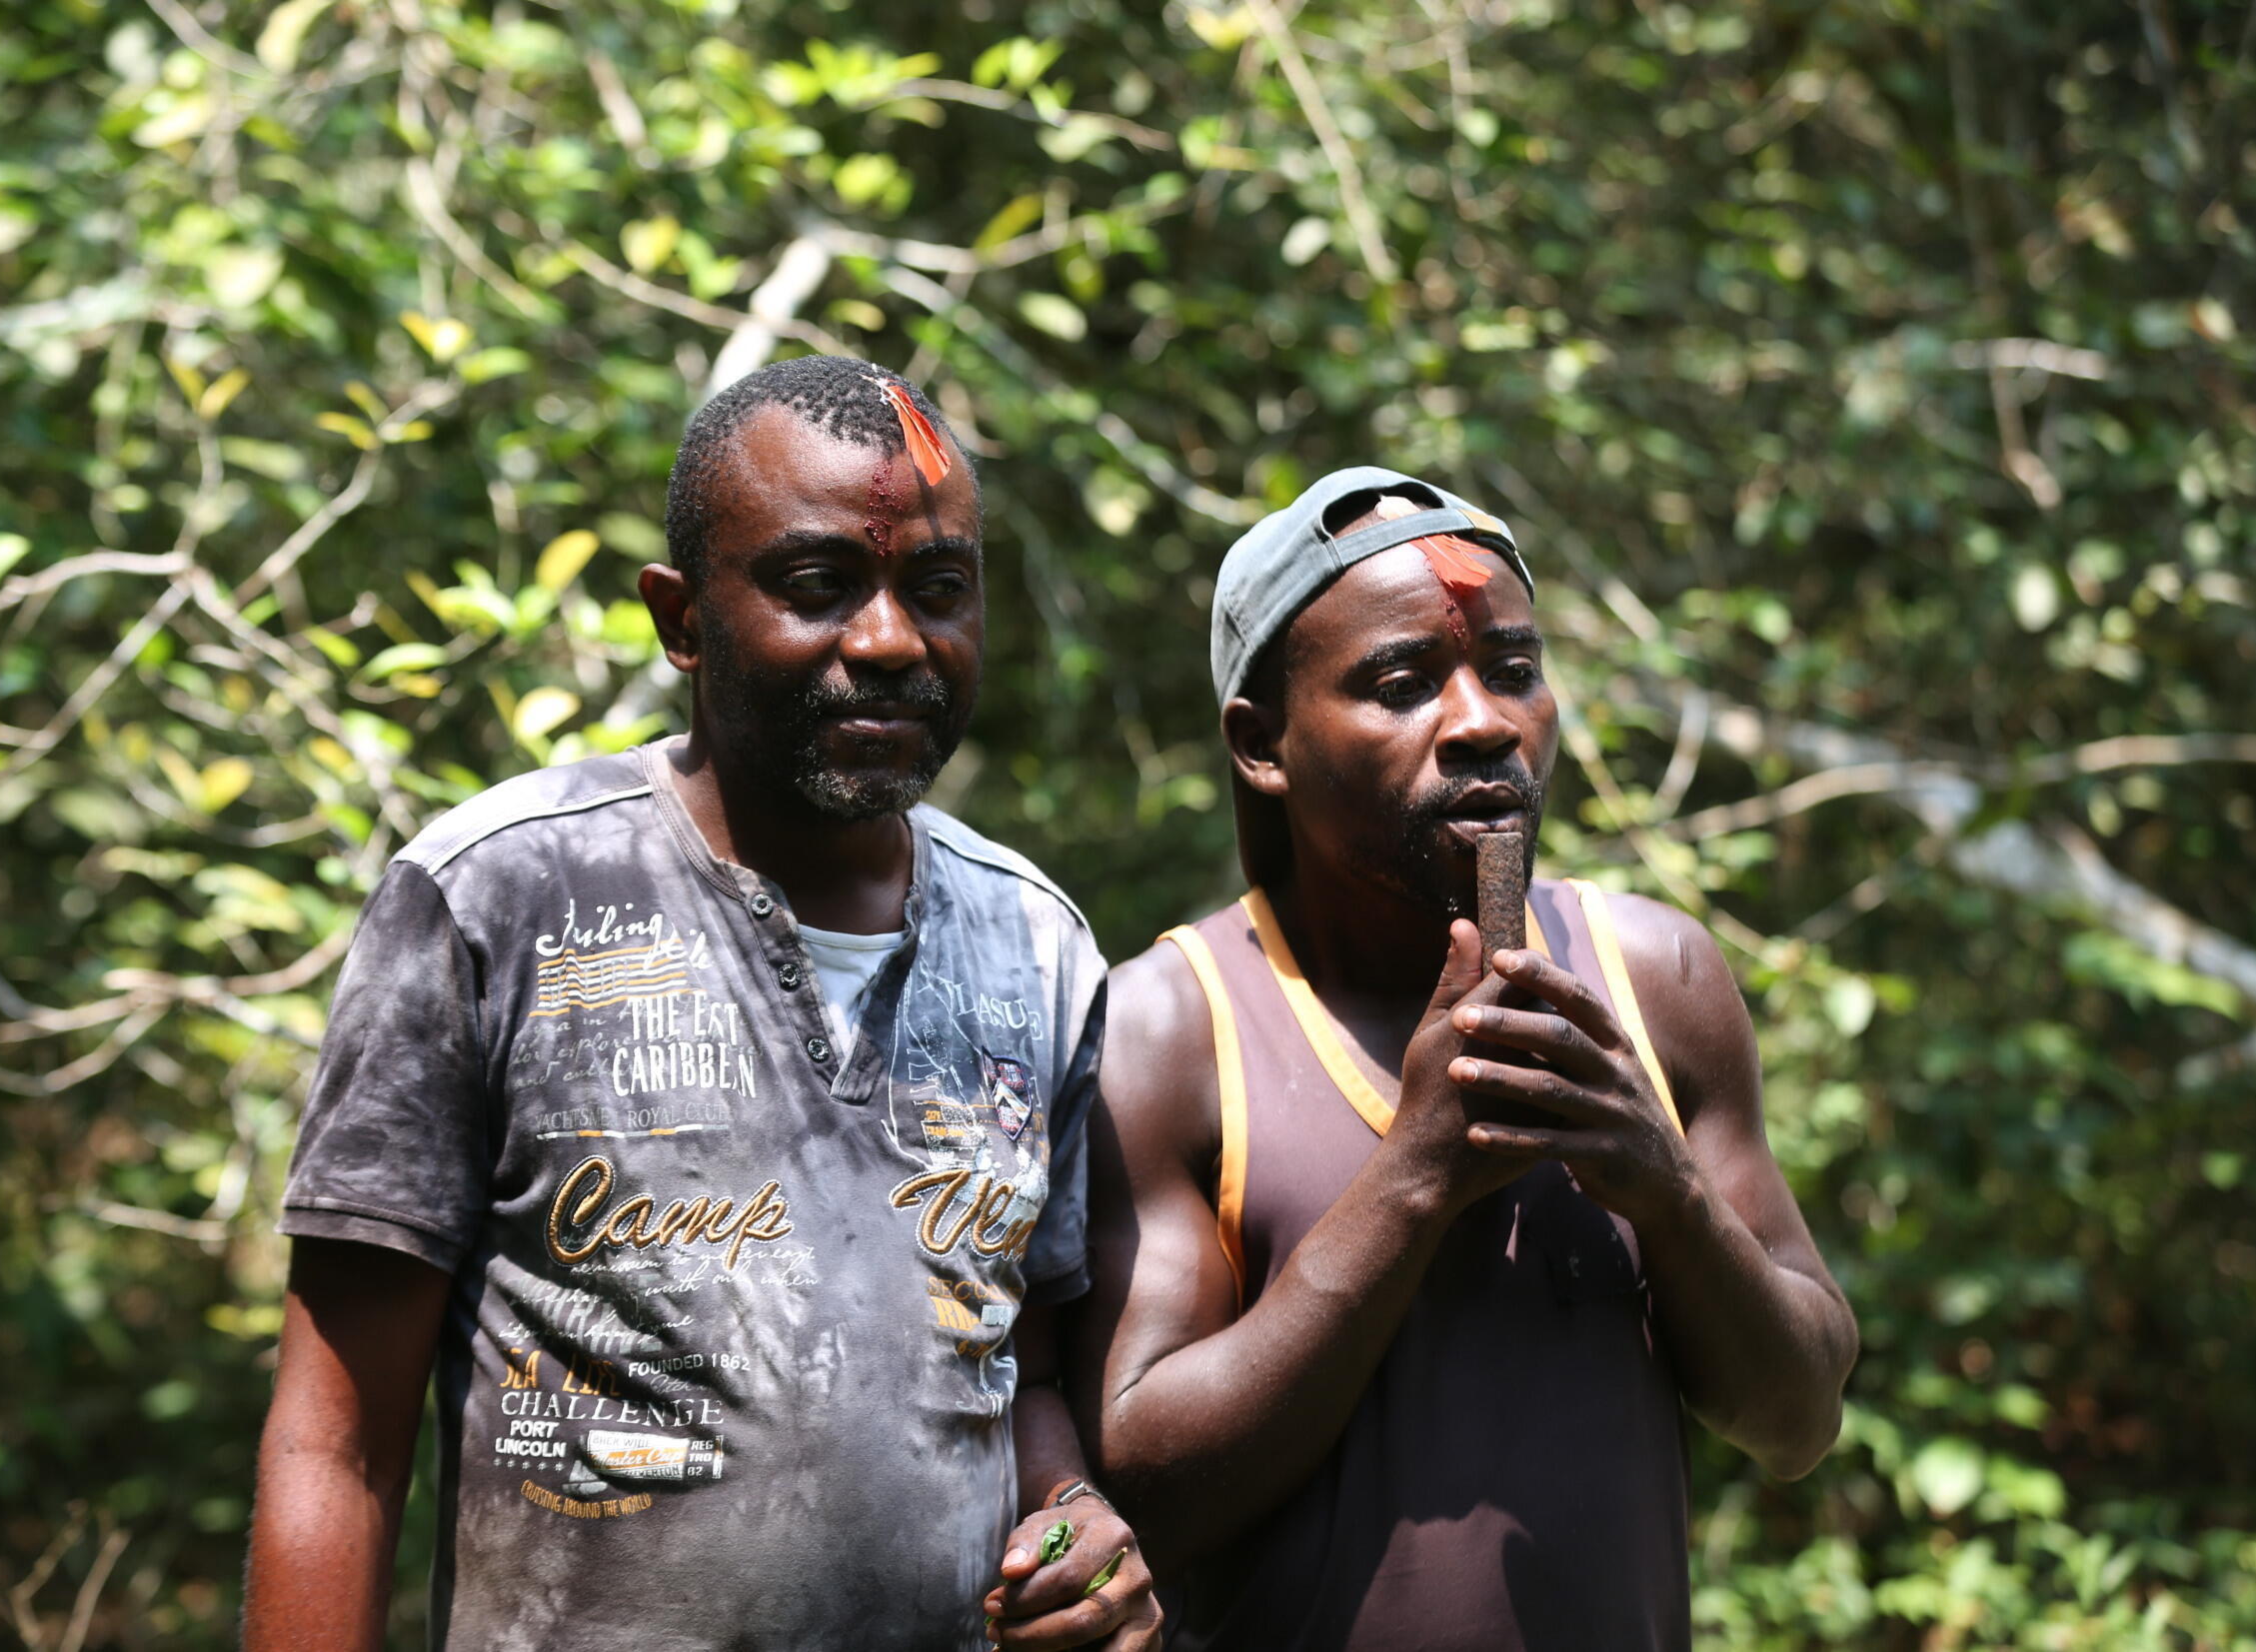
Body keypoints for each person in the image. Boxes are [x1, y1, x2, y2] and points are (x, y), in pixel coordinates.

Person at [245, 355, 1160, 1652]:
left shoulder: (1038, 947)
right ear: (681, 621)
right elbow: (336, 1443)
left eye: (938, 589)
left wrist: (1073, 1520)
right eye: (817, 585)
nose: (890, 641)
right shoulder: (500, 896)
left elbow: (1024, 1376)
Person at [1070, 467, 1857, 1650]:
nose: (1482, 721)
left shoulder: (1654, 983)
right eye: (1400, 685)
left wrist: (1665, 1189)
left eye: (1512, 670)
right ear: (1261, 743)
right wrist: (1414, 1173)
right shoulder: (1166, 1033)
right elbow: (1143, 1496)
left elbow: (1797, 1423)